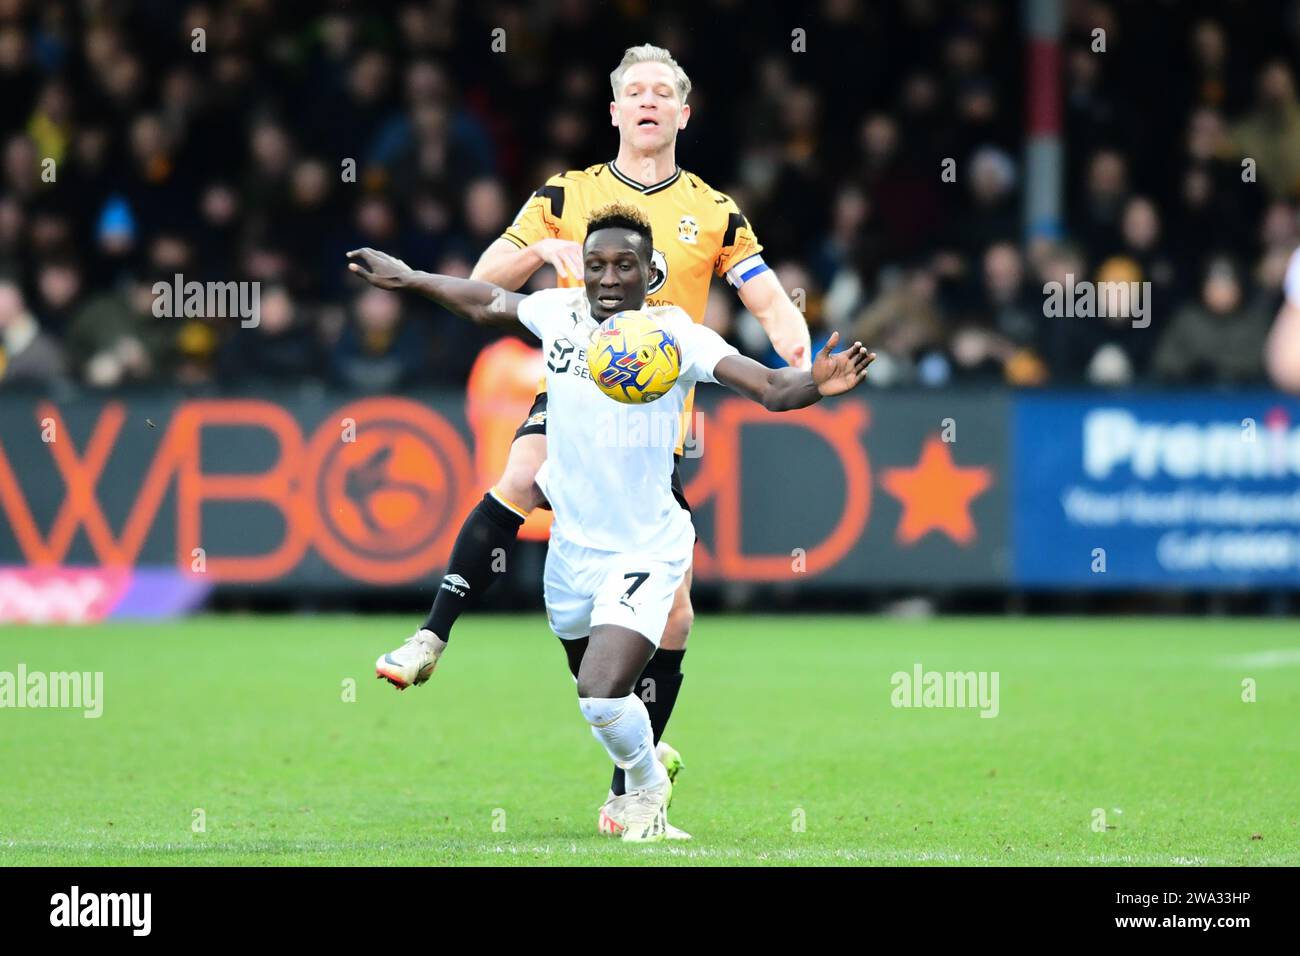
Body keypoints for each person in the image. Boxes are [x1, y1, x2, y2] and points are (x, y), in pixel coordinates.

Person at [347, 202, 872, 841]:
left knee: (598, 692)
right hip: (573, 551)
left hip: (648, 547)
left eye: (625, 264)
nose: (607, 277)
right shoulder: (561, 316)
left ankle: (644, 788)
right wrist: (412, 277)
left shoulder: (678, 335)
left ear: (651, 272)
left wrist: (815, 383)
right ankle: (649, 759)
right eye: (595, 264)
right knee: (602, 699)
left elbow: (766, 386)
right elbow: (486, 300)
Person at [401, 44, 813, 821]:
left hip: (659, 412)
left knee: (678, 614)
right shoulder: (569, 191)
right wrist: (541, 253)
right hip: (577, 385)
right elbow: (489, 277)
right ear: (617, 110)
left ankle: (636, 768)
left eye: (665, 90)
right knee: (522, 475)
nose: (650, 99)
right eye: (636, 90)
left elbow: (765, 297)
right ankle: (432, 634)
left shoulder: (716, 209)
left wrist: (804, 355)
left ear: (683, 114)